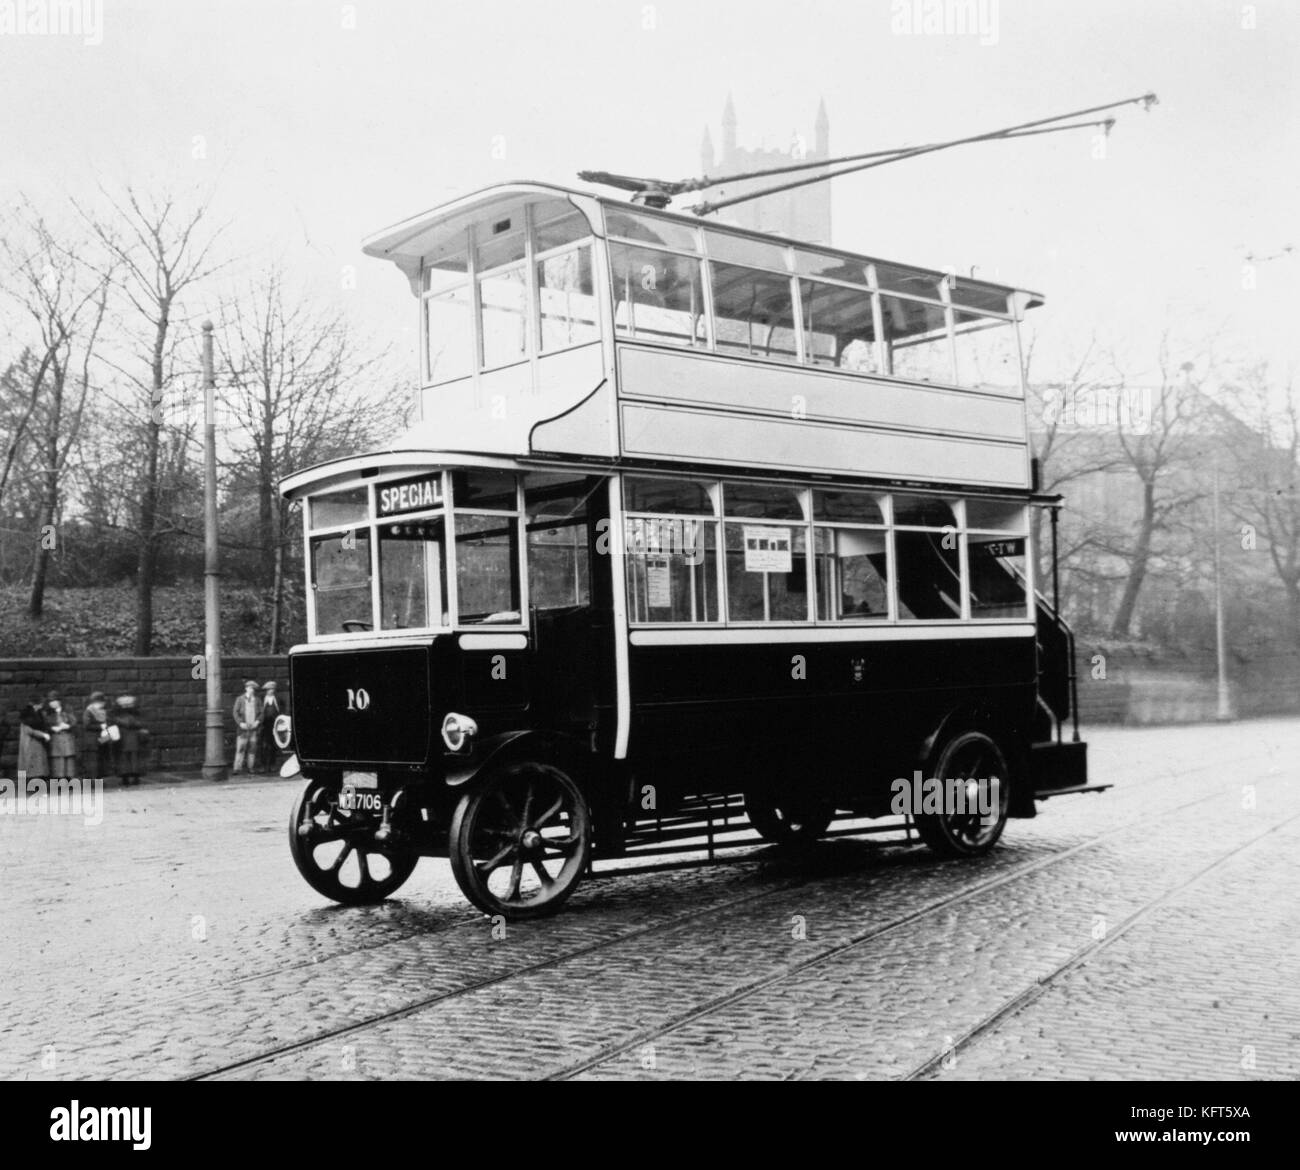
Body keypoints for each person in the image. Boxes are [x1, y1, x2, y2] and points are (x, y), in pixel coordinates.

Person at [112, 695, 149, 786]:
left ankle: (125, 779)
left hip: (123, 741)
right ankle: (136, 778)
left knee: (124, 760)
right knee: (135, 759)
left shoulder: (118, 718)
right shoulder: (136, 717)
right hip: (135, 741)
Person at [42, 691, 78, 779]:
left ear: (59, 701)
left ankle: (69, 780)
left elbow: (74, 722)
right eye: (50, 702)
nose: (52, 703)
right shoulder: (47, 713)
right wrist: (51, 728)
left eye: (54, 701)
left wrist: (68, 726)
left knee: (69, 760)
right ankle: (58, 781)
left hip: (67, 739)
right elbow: (44, 725)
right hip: (55, 740)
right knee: (57, 761)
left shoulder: (67, 710)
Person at [82, 692, 114, 780]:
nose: (102, 705)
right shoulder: (89, 711)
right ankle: (93, 780)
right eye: (101, 703)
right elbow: (87, 725)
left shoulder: (103, 711)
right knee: (93, 762)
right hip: (92, 740)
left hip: (102, 739)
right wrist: (100, 726)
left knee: (102, 759)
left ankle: (99, 779)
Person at [232, 679, 261, 775]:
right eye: (249, 688)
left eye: (253, 689)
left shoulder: (257, 700)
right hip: (243, 729)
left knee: (252, 749)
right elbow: (235, 712)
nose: (251, 690)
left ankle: (250, 767)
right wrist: (240, 723)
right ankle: (237, 768)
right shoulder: (240, 699)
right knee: (240, 748)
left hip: (253, 729)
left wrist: (257, 721)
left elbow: (262, 713)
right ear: (246, 688)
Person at [17, 702, 51, 779]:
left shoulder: (36, 714)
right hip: (31, 743)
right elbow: (30, 730)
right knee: (33, 765)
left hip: (36, 743)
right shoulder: (27, 715)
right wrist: (43, 735)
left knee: (35, 764)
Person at [257, 681, 282, 773]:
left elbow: (282, 710)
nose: (271, 691)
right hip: (263, 725)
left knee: (273, 746)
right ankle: (263, 765)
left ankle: (272, 765)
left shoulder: (278, 699)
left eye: (272, 689)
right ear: (266, 690)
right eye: (269, 689)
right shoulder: (261, 699)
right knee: (263, 746)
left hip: (274, 725)